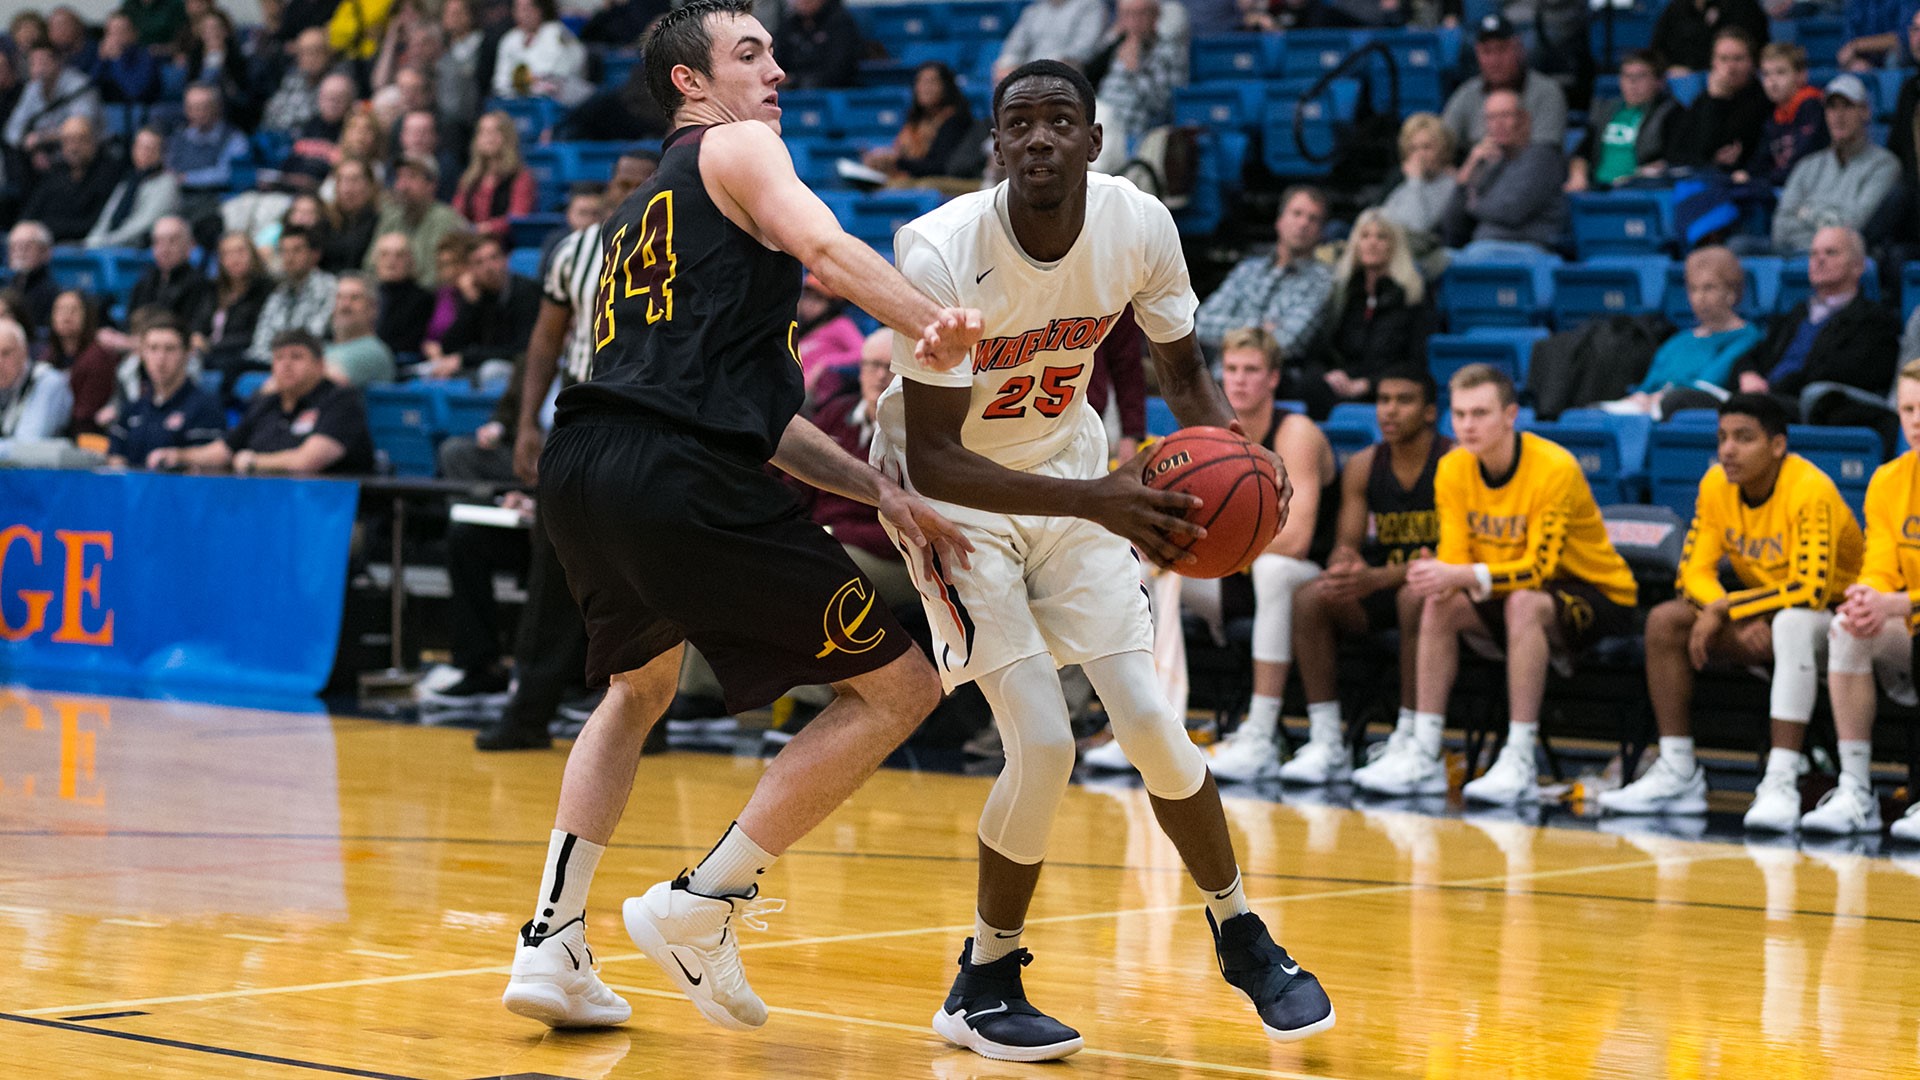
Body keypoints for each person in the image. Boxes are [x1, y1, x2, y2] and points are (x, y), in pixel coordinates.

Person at [496, 0, 984, 1035]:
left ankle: (551, 943)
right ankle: (701, 902)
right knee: (898, 691)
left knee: (638, 688)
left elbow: (752, 416)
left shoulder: (633, 218)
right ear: (691, 81)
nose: (778, 74)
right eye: (750, 54)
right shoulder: (739, 146)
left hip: (589, 466)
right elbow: (828, 246)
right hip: (675, 472)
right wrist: (930, 323)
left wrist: (883, 492)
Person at [876, 59, 1330, 1060]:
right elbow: (942, 454)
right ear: (997, 145)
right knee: (1042, 741)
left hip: (1073, 472)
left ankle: (1241, 931)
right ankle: (984, 979)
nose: (1039, 138)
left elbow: (1181, 369)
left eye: (1059, 122)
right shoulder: (942, 250)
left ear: (1093, 138)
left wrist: (1239, 462)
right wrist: (1103, 501)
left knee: (1154, 723)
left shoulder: (1137, 223)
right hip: (953, 505)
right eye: (1020, 124)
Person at [1598, 394, 1862, 831]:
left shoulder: (1810, 489)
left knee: (1793, 623)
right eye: (1722, 438)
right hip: (1762, 612)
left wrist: (1725, 608)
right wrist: (1729, 614)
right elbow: (1691, 574)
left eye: (1744, 438)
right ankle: (1678, 769)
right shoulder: (1715, 485)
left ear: (1778, 445)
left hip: (1832, 620)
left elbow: (1810, 589)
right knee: (1665, 621)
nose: (1728, 450)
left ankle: (1781, 781)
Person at [468, 147, 657, 752]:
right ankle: (530, 710)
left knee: (644, 567)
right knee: (554, 562)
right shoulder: (574, 250)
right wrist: (528, 421)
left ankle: (648, 719)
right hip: (581, 405)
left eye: (638, 180)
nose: (625, 189)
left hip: (651, 410)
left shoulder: (681, 244)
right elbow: (546, 337)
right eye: (618, 181)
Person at [1401, 364, 1638, 806]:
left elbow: (1540, 569)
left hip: (1596, 592)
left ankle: (1520, 757)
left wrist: (1461, 575)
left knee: (1525, 603)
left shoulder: (1554, 468)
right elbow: (1455, 558)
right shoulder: (1452, 467)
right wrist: (1438, 573)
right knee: (1439, 603)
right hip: (1509, 589)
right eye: (1460, 414)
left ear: (1511, 415)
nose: (1468, 425)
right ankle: (1424, 750)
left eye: (1480, 413)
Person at [1279, 369, 1452, 789]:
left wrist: (1376, 577)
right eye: (1384, 399)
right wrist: (1344, 565)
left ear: (1430, 412)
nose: (1390, 410)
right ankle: (1326, 740)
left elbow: (1452, 557)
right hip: (1378, 586)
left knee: (1418, 594)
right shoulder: (1362, 465)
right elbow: (1347, 542)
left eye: (1404, 400)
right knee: (1311, 596)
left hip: (1438, 591)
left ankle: (1410, 738)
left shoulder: (1452, 463)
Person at [1186, 328, 1336, 784]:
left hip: (1305, 577)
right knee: (1152, 569)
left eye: (1251, 370)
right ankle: (1152, 728)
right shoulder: (1209, 435)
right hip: (1235, 573)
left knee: (1272, 568)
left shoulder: (1296, 432)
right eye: (1231, 369)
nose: (1239, 380)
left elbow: (1296, 540)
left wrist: (1212, 551)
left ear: (1273, 378)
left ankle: (1261, 736)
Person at [1818, 358, 1920, 840]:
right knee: (1847, 629)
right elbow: (1880, 563)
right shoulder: (1888, 480)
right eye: (1907, 409)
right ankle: (1855, 790)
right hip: (1913, 623)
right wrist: (1867, 596)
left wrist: (1900, 604)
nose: (1916, 419)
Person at [150, 329, 376, 474]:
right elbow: (224, 451)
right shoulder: (266, 402)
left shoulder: (340, 401)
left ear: (320, 366)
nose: (286, 365)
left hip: (330, 515)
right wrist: (178, 455)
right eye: (279, 358)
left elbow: (308, 461)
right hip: (269, 509)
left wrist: (255, 462)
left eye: (296, 357)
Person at [1735, 226, 1899, 420]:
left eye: (1831, 252)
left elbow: (1839, 374)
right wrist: (1747, 374)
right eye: (1813, 254)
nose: (1819, 260)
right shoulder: (1796, 314)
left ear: (1858, 266)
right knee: (1693, 402)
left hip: (1811, 411)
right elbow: (1755, 354)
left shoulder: (1875, 321)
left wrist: (1769, 390)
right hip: (1764, 400)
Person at [1603, 245, 1762, 417]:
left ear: (1730, 292)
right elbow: (1648, 384)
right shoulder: (1680, 340)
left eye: (1709, 288)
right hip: (1647, 410)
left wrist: (1660, 397)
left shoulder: (1748, 336)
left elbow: (1710, 380)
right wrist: (1642, 396)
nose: (1699, 298)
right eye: (1693, 289)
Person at [1193, 185, 1332, 367]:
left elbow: (1287, 342)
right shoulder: (1247, 270)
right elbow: (1202, 324)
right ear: (1280, 221)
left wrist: (1235, 329)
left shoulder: (1322, 281)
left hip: (1276, 382)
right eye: (1297, 214)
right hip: (1221, 377)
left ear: (1321, 232)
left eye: (1313, 219)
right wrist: (1261, 327)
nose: (1303, 223)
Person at [1771, 76, 1899, 255]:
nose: (1838, 116)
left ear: (1865, 112)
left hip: (1851, 260)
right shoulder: (1807, 165)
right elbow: (1781, 228)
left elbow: (1855, 226)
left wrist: (1806, 214)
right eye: (1832, 107)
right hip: (1799, 253)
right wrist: (1825, 242)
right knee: (1742, 246)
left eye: (1847, 106)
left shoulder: (1884, 165)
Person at [1322, 210, 1434, 402]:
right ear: (1355, 243)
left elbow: (1415, 362)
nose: (1372, 243)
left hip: (1389, 389)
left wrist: (1368, 385)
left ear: (1395, 245)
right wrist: (1332, 374)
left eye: (1381, 237)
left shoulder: (1413, 296)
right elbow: (1321, 350)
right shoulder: (1344, 293)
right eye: (1365, 236)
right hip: (1341, 386)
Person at [1443, 90, 1567, 253]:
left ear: (1524, 119)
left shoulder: (1542, 157)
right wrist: (1469, 168)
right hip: (1483, 249)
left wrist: (1474, 202)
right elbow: (1453, 227)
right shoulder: (1491, 161)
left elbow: (1510, 211)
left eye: (1505, 115)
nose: (1498, 123)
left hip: (1529, 250)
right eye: (1491, 117)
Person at [107, 319, 225, 466]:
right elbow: (114, 457)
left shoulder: (204, 407)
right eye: (153, 348)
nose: (160, 358)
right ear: (142, 354)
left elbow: (217, 459)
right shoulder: (133, 408)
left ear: (188, 353)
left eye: (170, 349)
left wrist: (180, 457)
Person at [1440, 15, 1568, 150]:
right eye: (1487, 51)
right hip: (1478, 168)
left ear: (1519, 49)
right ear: (1477, 54)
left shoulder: (1547, 92)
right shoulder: (1467, 93)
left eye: (1502, 49)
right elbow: (1442, 143)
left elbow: (1545, 154)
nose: (1495, 60)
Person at [423, 234, 540, 379]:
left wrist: (465, 359)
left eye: (494, 258)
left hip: (518, 367)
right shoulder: (476, 293)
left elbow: (521, 349)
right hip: (478, 364)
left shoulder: (526, 291)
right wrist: (471, 304)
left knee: (490, 371)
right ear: (469, 269)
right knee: (426, 371)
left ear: (505, 260)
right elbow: (450, 347)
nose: (489, 267)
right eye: (479, 263)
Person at [1085, 0, 1186, 162]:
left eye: (1139, 14)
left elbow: (1163, 106)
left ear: (1155, 17)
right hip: (1101, 115)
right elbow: (1088, 79)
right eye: (1126, 14)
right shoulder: (1115, 44)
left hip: (1133, 130)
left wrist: (1134, 72)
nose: (1132, 22)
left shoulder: (1168, 52)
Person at [1658, 27, 1768, 172]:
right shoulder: (1704, 99)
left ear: (1752, 62)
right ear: (1713, 62)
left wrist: (1717, 101)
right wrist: (1715, 100)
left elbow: (1736, 149)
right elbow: (1676, 151)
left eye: (1738, 59)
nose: (1730, 67)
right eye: (1723, 59)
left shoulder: (1763, 99)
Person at [1567, 50, 1677, 193]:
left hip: (1639, 192)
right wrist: (1578, 176)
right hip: (1597, 189)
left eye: (1641, 76)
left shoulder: (1670, 112)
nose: (1632, 83)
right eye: (1627, 76)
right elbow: (1582, 152)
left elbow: (1672, 161)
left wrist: (1636, 178)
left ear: (1659, 82)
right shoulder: (1605, 111)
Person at [860, 62, 973, 183]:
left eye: (931, 82)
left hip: (936, 182)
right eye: (920, 82)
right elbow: (900, 153)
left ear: (946, 86)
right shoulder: (915, 122)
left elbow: (939, 166)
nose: (925, 88)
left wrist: (896, 161)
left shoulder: (955, 121)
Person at [366, 155, 468, 286]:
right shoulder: (391, 217)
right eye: (400, 177)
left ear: (431, 185)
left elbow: (439, 275)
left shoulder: (447, 220)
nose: (403, 186)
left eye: (411, 177)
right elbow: (370, 264)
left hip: (428, 299)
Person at [194, 231, 276, 389]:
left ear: (253, 254)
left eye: (240, 251)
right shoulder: (212, 290)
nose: (234, 258)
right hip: (210, 353)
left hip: (242, 354)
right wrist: (195, 337)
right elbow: (198, 323)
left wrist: (210, 345)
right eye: (227, 253)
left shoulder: (266, 289)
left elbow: (252, 334)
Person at [1738, 42, 1825, 190]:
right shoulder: (1776, 114)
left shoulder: (1811, 106)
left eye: (1780, 72)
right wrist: (1747, 174)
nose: (1772, 81)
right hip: (1782, 185)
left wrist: (1760, 178)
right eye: (1766, 74)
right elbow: (1762, 157)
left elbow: (1802, 162)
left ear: (1801, 75)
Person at [22, 115, 122, 243]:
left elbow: (97, 223)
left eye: (80, 140)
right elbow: (29, 214)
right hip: (45, 244)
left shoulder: (109, 173)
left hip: (84, 251)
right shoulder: (55, 173)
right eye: (67, 141)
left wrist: (48, 229)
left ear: (93, 141)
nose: (73, 147)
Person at [249, 226, 339, 365]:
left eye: (297, 250)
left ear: (315, 254)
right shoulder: (278, 293)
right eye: (284, 251)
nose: (289, 257)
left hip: (308, 364)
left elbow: (313, 337)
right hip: (274, 362)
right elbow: (261, 340)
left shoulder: (330, 288)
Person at [84, 126, 179, 249]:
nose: (144, 152)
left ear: (161, 154)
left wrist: (105, 242)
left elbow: (143, 225)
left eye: (150, 148)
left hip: (142, 251)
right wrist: (90, 241)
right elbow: (107, 217)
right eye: (140, 147)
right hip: (109, 247)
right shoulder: (128, 181)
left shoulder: (167, 183)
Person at [452, 111, 539, 242]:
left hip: (505, 243)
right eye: (483, 132)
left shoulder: (521, 177)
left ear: (507, 137)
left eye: (494, 132)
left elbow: (519, 217)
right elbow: (456, 213)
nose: (488, 137)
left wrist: (487, 228)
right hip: (470, 241)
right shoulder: (470, 178)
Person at [1376, 112, 1456, 246]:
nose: (1419, 156)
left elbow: (1418, 228)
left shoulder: (1450, 185)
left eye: (1427, 147)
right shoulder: (1400, 180)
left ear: (1442, 149)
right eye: (1413, 148)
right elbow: (1380, 218)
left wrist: (1415, 181)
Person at [44, 289, 115, 436]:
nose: (66, 316)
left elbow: (85, 414)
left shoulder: (97, 358)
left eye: (74, 310)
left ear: (87, 315)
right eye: (60, 309)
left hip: (85, 437)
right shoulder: (48, 357)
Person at [0, 316, 73, 460]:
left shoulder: (49, 383)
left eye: (6, 353)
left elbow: (27, 447)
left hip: (45, 479)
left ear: (24, 352)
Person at [492, 0, 589, 104]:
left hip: (561, 100)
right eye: (517, 8)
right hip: (520, 102)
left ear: (541, 9)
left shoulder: (556, 32)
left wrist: (530, 83)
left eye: (527, 8)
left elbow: (556, 75)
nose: (521, 14)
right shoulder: (509, 39)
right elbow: (500, 82)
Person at [993, 0, 1108, 82]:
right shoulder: (1034, 10)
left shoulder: (1090, 5)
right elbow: (1014, 47)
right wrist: (1007, 64)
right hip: (1029, 73)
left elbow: (1083, 49)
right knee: (1003, 72)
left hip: (1064, 72)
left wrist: (1042, 70)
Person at [1649, 0, 1768, 74]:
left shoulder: (1745, 7)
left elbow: (1759, 50)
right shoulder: (1676, 8)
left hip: (1733, 78)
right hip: (1680, 80)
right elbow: (1657, 49)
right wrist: (1669, 69)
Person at [771, 0, 862, 90]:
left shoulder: (841, 23)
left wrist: (794, 81)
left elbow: (840, 69)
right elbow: (778, 59)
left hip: (835, 93)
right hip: (790, 93)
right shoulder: (788, 25)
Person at [323, 274, 396, 386]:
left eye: (355, 298)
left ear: (373, 308)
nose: (345, 305)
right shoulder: (323, 347)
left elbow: (332, 382)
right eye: (339, 297)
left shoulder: (373, 352)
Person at [370, 231, 435, 355]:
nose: (391, 261)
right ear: (375, 260)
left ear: (410, 261)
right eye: (384, 254)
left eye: (399, 255)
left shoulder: (423, 299)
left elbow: (409, 343)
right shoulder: (367, 294)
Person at [323, 158, 381, 271]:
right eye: (341, 180)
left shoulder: (380, 222)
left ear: (370, 186)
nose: (347, 189)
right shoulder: (325, 221)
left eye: (354, 180)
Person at [5, 221, 57, 329]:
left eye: (27, 246)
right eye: (15, 246)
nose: (20, 251)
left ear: (45, 251)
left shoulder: (52, 292)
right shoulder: (7, 286)